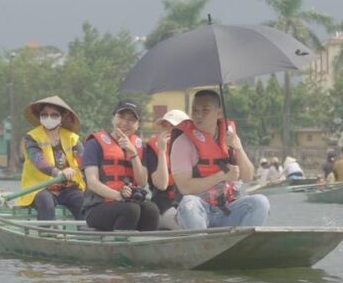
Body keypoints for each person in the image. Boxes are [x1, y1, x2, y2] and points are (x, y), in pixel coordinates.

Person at [171, 89, 269, 230]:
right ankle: (202, 244)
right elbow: (185, 188)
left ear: (219, 113)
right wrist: (222, 176)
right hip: (198, 210)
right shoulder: (182, 142)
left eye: (205, 110)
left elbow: (247, 176)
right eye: (195, 110)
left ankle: (239, 245)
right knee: (188, 203)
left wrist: (238, 148)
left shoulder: (230, 138)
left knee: (261, 202)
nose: (198, 115)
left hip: (226, 209)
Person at [82, 100, 159, 231]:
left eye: (131, 120)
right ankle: (118, 248)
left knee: (152, 210)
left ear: (137, 125)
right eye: (121, 117)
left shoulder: (140, 148)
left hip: (128, 203)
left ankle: (143, 248)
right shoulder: (94, 144)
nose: (124, 123)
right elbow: (92, 182)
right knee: (130, 209)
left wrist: (133, 154)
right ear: (113, 118)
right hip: (98, 206)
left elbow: (141, 182)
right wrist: (119, 196)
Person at [15, 95, 87, 221]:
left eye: (54, 115)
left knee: (82, 200)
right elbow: (38, 161)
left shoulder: (72, 138)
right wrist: (59, 172)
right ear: (39, 116)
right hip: (40, 188)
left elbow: (85, 162)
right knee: (46, 202)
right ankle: (49, 235)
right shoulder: (31, 138)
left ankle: (85, 236)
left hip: (67, 187)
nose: (49, 118)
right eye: (44, 115)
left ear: (62, 117)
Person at [145, 109, 190, 230]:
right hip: (165, 205)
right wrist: (162, 151)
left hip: (190, 202)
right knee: (187, 226)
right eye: (165, 125)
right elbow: (161, 184)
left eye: (174, 126)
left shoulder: (192, 148)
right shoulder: (152, 150)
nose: (169, 130)